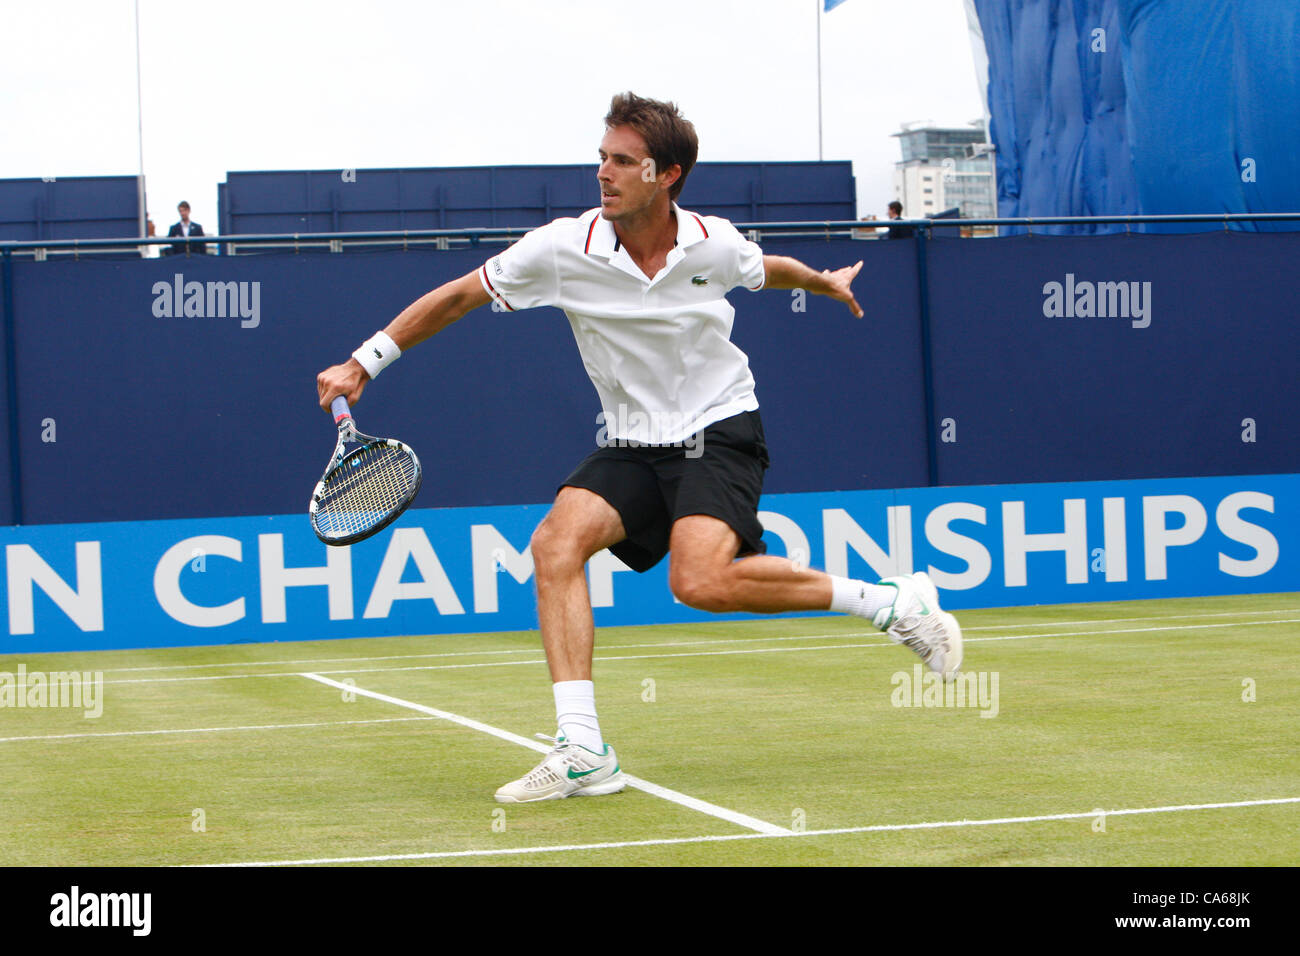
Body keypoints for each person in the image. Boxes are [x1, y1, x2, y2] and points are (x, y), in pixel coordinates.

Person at [316, 92, 963, 804]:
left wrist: (819, 280)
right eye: (602, 158)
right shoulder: (562, 248)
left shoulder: (710, 242)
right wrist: (363, 361)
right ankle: (583, 750)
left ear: (667, 175)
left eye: (624, 161)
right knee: (554, 545)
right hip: (633, 441)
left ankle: (891, 600)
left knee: (701, 582)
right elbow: (459, 297)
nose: (605, 173)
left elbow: (760, 267)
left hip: (719, 430)